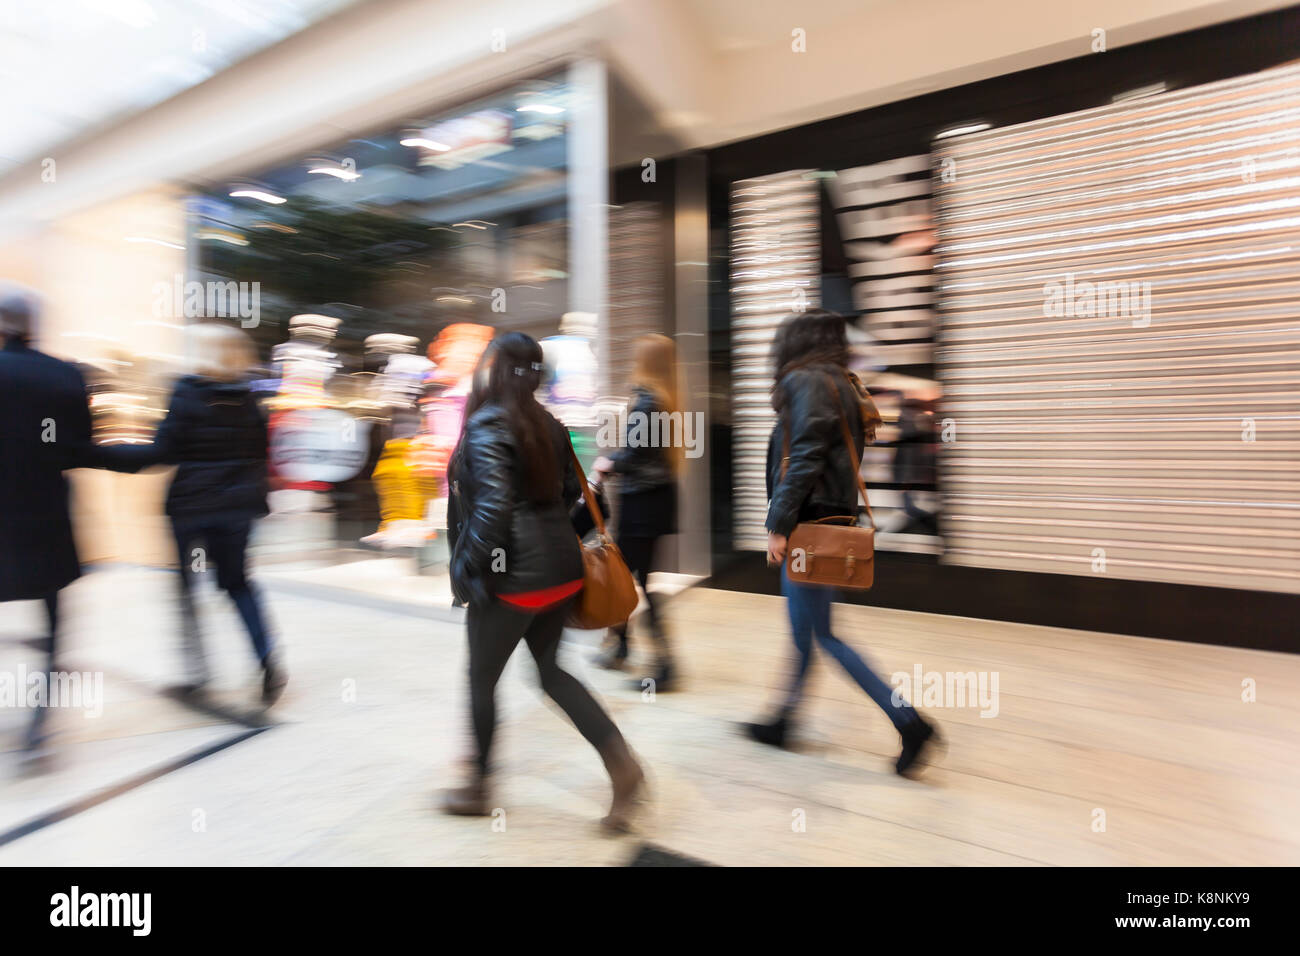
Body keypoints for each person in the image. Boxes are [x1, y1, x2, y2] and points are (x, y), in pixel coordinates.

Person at [443, 332, 645, 831]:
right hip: (560, 573)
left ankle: (478, 787)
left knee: (480, 680)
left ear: (494, 369)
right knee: (551, 671)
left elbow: (491, 509)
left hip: (512, 579)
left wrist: (468, 570)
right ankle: (625, 768)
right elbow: (573, 495)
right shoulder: (549, 425)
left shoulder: (489, 424)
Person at [745, 309, 939, 776]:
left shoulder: (807, 381)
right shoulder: (841, 382)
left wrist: (779, 522)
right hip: (828, 520)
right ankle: (783, 719)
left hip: (809, 526)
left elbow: (807, 455)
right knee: (806, 630)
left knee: (822, 635)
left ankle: (909, 721)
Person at [113, 323, 286, 705]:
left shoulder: (187, 393)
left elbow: (162, 452)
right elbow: (261, 454)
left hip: (191, 509)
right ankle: (268, 662)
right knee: (238, 585)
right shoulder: (250, 400)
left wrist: (99, 454)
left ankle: (197, 673)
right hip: (236, 511)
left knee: (187, 590)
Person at [0, 285, 102, 754]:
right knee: (53, 609)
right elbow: (77, 445)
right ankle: (41, 721)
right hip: (44, 509)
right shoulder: (65, 375)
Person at [591, 333, 680, 690]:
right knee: (630, 579)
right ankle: (623, 648)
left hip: (642, 505)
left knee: (627, 579)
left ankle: (664, 663)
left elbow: (636, 453)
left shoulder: (648, 403)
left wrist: (607, 462)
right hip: (656, 502)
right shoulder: (668, 399)